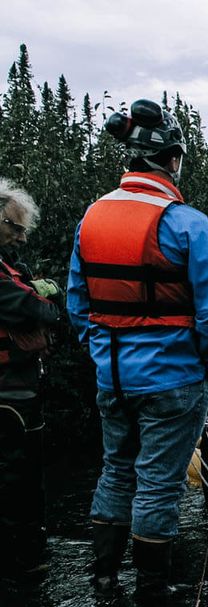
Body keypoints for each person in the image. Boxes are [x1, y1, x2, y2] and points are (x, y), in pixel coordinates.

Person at [67, 98, 208, 594]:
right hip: (174, 377)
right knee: (159, 481)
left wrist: (101, 354)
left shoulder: (91, 218)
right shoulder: (187, 222)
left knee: (116, 471)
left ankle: (103, 576)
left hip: (112, 376)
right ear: (173, 159)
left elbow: (78, 303)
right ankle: (152, 585)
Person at [0, 179, 62, 575]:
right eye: (17, 228)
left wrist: (40, 297)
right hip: (8, 395)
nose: (22, 238)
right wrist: (43, 297)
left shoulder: (11, 268)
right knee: (13, 479)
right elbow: (36, 311)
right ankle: (18, 564)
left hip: (22, 389)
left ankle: (30, 554)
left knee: (27, 478)